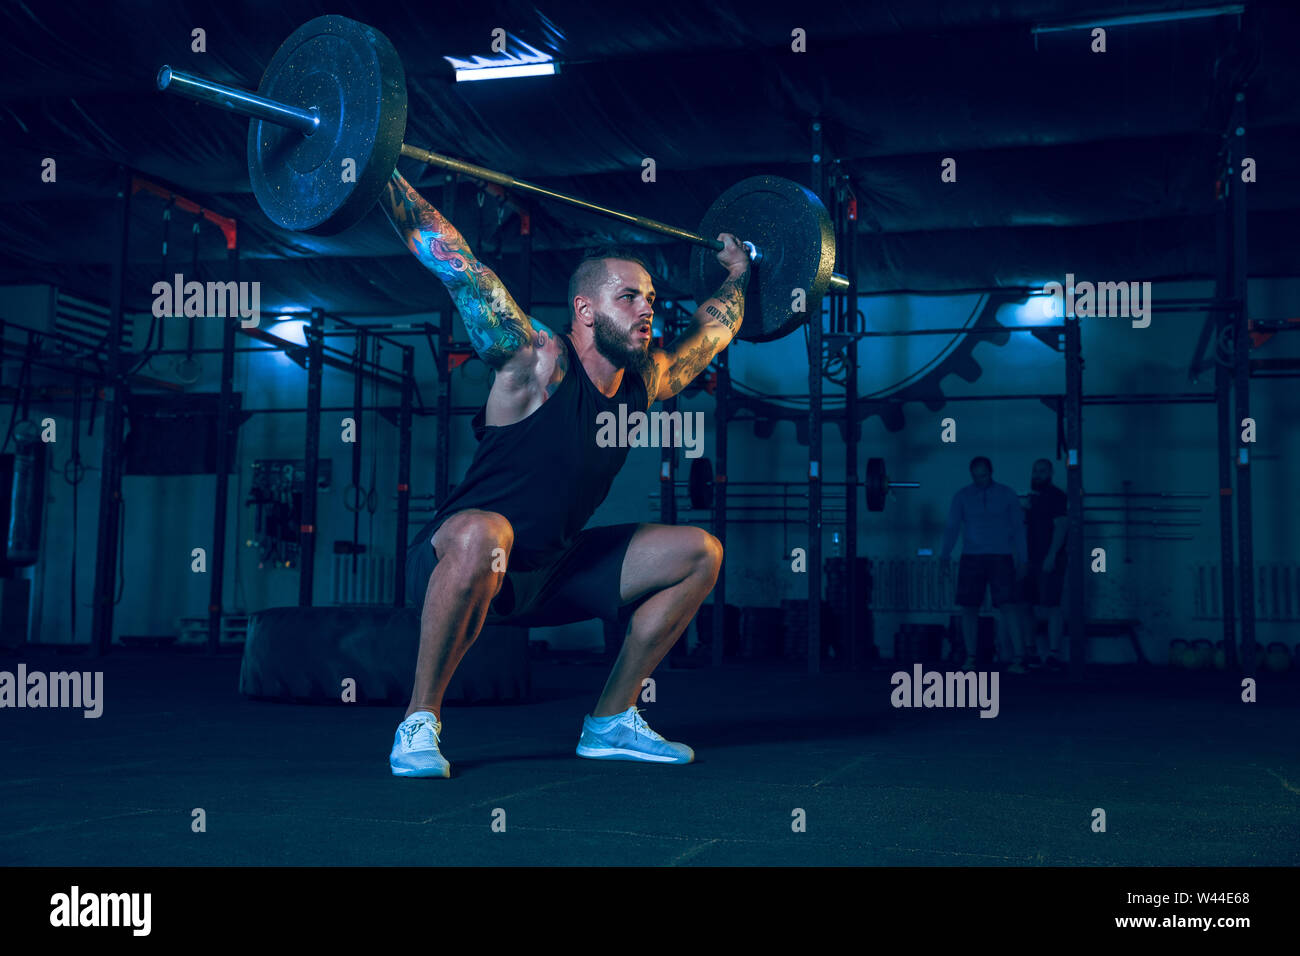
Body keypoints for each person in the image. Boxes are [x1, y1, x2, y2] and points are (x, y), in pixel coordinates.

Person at [383, 168, 750, 777]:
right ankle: (419, 722)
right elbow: (457, 266)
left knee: (699, 551)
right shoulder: (536, 363)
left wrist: (743, 272)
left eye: (651, 301)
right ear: (584, 309)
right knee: (486, 532)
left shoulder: (645, 382)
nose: (646, 311)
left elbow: (712, 332)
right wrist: (378, 178)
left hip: (550, 569)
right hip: (459, 557)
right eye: (628, 297)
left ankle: (610, 720)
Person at [939, 456, 1029, 673]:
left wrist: (1024, 559)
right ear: (972, 475)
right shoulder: (962, 496)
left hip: (1001, 557)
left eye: (984, 475)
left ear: (992, 472)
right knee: (969, 608)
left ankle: (1019, 658)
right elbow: (951, 527)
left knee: (1008, 607)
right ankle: (970, 657)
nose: (981, 480)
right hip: (972, 557)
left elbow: (1018, 528)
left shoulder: (1007, 494)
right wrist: (944, 555)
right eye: (977, 476)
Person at [1018, 458, 1068, 669]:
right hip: (1029, 559)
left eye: (1042, 471)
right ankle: (1031, 652)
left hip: (1048, 559)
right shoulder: (1031, 499)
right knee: (1026, 604)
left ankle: (1053, 654)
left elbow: (1061, 527)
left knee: (1052, 606)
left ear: (1051, 473)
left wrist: (1051, 556)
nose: (1038, 474)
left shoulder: (1057, 496)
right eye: (1035, 470)